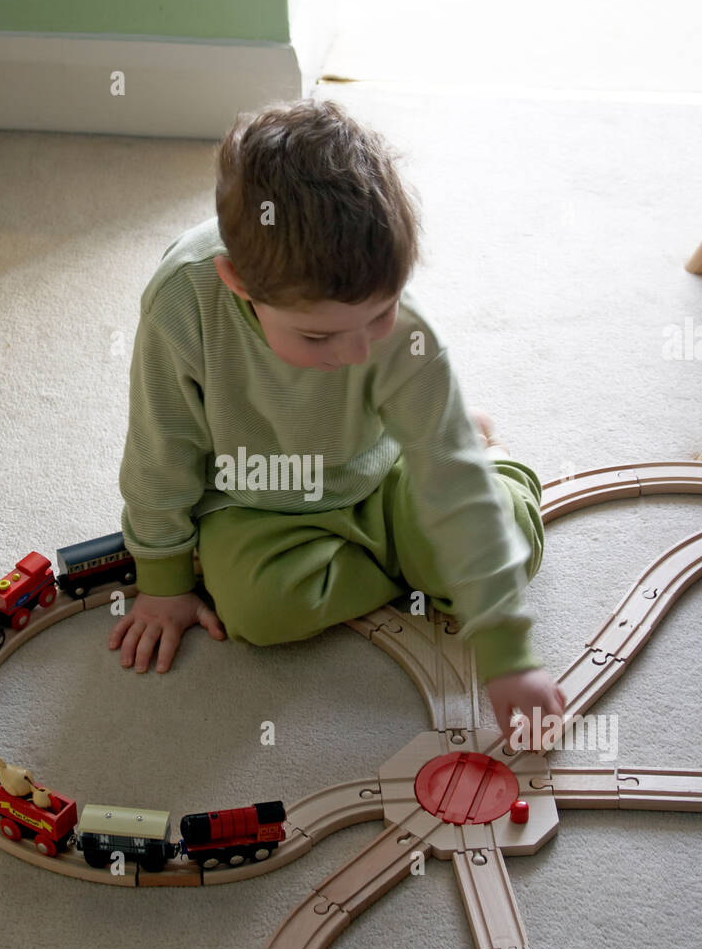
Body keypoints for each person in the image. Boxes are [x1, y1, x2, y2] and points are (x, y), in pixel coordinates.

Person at [110, 98, 565, 749]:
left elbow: (453, 488)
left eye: (379, 317)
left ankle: (484, 447)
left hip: (384, 470)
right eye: (319, 336)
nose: (357, 353)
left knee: (505, 539)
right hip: (253, 498)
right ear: (237, 283)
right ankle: (400, 554)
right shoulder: (180, 303)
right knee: (254, 612)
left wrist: (507, 658)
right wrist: (160, 583)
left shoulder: (400, 331)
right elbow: (160, 451)